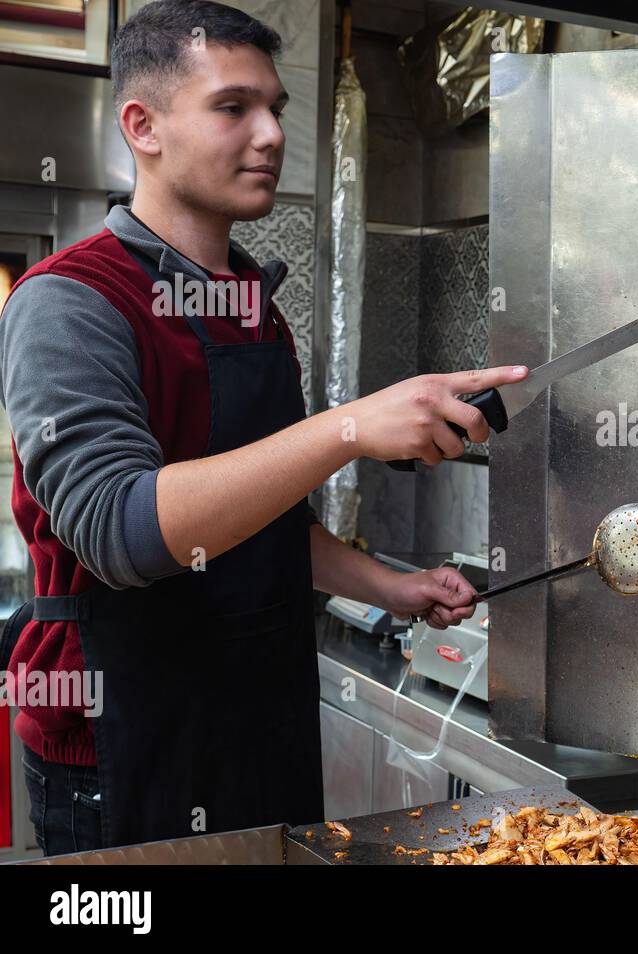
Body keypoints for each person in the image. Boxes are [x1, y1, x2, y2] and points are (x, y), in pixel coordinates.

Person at [0, 0, 525, 855]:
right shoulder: (68, 301)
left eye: (275, 107)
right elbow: (122, 533)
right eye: (233, 106)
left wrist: (389, 588)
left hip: (256, 716)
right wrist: (349, 428)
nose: (272, 132)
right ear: (144, 126)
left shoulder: (256, 314)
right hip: (122, 736)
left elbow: (260, 526)